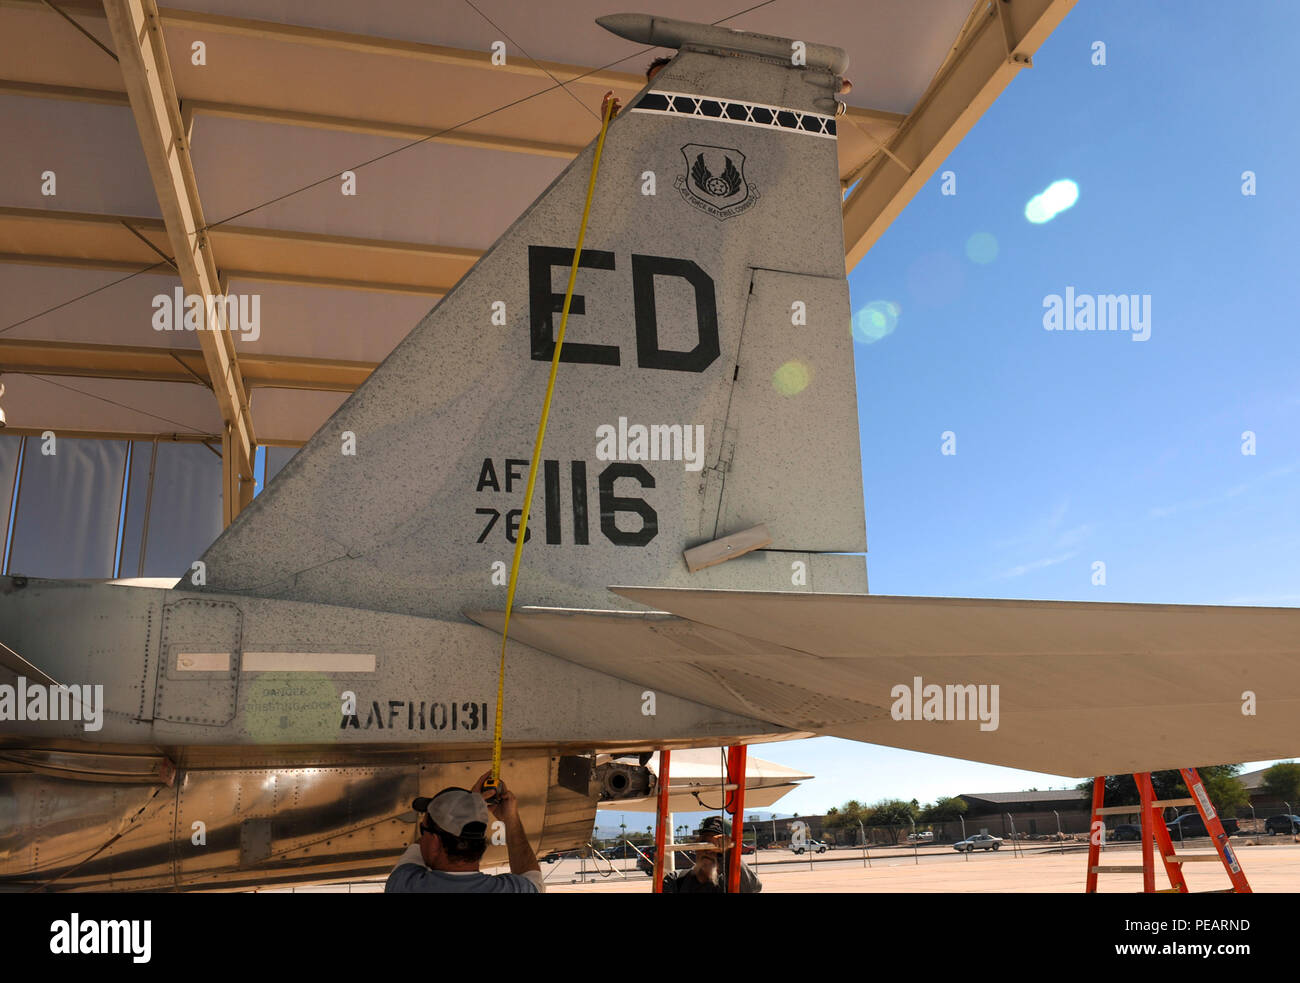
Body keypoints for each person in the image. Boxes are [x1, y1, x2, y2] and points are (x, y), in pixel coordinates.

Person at [385, 772, 544, 893]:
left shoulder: (404, 885)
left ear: (435, 842)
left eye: (423, 830)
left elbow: (415, 854)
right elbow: (532, 877)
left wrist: (466, 804)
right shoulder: (515, 889)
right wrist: (511, 819)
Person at [661, 816, 761, 893]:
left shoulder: (729, 883)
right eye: (704, 843)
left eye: (716, 847)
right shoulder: (675, 880)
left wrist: (729, 852)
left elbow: (752, 888)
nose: (708, 851)